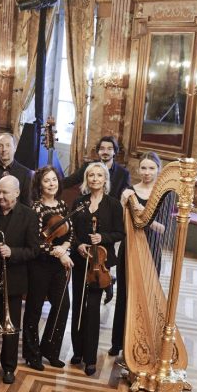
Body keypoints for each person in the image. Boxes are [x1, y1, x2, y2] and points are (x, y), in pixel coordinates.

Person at [0, 175, 40, 384]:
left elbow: (33, 250)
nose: (0, 196)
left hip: (13, 280)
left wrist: (11, 252)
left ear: (17, 193)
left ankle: (8, 367)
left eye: (5, 192)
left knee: (10, 327)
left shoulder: (29, 216)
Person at [68, 162, 124, 375]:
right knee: (78, 308)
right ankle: (77, 352)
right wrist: (78, 245)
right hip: (80, 260)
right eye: (91, 175)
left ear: (105, 180)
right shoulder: (79, 202)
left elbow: (120, 233)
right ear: (86, 179)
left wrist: (103, 237)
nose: (94, 179)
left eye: (99, 175)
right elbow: (71, 232)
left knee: (92, 310)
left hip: (99, 265)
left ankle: (90, 358)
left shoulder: (113, 205)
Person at [112, 152, 169, 356]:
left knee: (146, 297)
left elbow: (163, 229)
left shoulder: (163, 194)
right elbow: (120, 222)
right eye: (143, 168)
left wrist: (139, 209)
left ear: (158, 170)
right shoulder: (129, 190)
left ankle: (143, 341)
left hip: (151, 249)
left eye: (151, 168)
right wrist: (122, 202)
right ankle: (118, 342)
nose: (147, 172)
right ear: (138, 169)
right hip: (129, 246)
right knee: (124, 295)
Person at [26, 166, 74, 370]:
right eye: (47, 180)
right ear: (39, 185)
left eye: (54, 180)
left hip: (58, 265)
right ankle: (32, 354)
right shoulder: (36, 208)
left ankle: (50, 349)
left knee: (63, 306)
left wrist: (64, 247)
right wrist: (58, 252)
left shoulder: (62, 205)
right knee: (34, 309)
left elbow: (70, 233)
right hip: (40, 265)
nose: (51, 184)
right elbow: (37, 241)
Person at [62, 136, 130, 200]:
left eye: (109, 149)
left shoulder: (123, 174)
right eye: (102, 148)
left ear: (114, 152)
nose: (105, 152)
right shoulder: (88, 166)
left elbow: (126, 196)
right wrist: (53, 184)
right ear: (98, 151)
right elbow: (69, 181)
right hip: (87, 206)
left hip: (109, 210)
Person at [0, 133, 34, 206]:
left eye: (8, 145)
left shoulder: (26, 173)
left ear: (15, 147)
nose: (4, 149)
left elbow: (26, 204)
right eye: (0, 146)